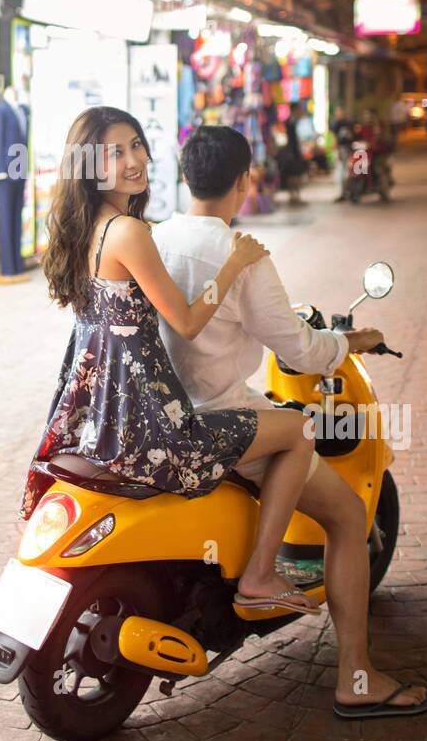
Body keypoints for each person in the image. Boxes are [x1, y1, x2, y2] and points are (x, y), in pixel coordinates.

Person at [152, 125, 427, 718]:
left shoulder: (154, 239)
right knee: (349, 514)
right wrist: (352, 339)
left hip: (163, 417)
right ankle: (356, 675)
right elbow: (300, 350)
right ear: (245, 179)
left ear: (184, 177)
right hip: (226, 417)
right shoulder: (243, 254)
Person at [20, 106, 327, 614]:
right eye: (115, 152)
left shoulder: (82, 231)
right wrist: (234, 263)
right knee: (297, 431)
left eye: (137, 145)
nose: (134, 161)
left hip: (95, 418)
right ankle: (259, 576)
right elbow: (186, 321)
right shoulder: (129, 232)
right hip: (152, 426)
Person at [330, 105, 355, 202]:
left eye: (339, 111)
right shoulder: (336, 124)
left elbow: (352, 137)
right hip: (342, 149)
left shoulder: (347, 123)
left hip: (346, 149)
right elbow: (335, 138)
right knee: (341, 172)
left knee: (346, 171)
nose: (338, 113)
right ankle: (343, 192)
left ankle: (347, 192)